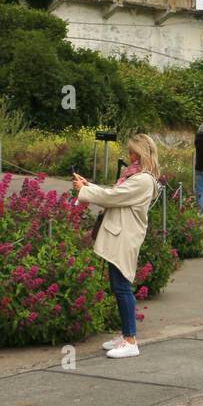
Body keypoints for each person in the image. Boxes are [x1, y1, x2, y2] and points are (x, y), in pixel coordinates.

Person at [71, 133, 160, 359]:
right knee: (119, 286)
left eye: (132, 152)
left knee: (122, 287)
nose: (129, 156)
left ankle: (130, 340)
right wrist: (88, 186)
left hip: (124, 237)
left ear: (141, 154)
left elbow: (113, 197)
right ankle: (125, 335)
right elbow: (115, 194)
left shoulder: (142, 179)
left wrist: (84, 189)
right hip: (122, 235)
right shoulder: (137, 176)